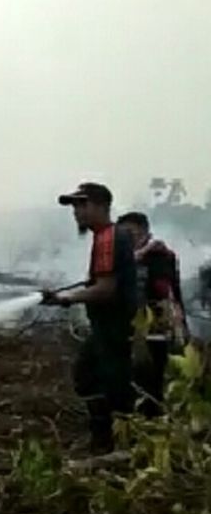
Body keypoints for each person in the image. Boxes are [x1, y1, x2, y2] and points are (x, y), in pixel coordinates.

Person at [42, 183, 137, 452]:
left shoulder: (108, 237)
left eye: (82, 205)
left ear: (101, 206)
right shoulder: (109, 236)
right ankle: (106, 440)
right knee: (91, 376)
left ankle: (115, 446)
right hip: (112, 327)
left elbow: (106, 290)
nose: (76, 212)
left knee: (110, 386)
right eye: (74, 206)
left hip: (114, 329)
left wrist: (65, 299)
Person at [115, 211, 188, 416]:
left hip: (154, 331)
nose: (127, 240)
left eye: (131, 234)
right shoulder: (133, 255)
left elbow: (168, 292)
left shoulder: (159, 257)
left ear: (144, 232)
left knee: (150, 380)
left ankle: (151, 421)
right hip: (130, 330)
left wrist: (178, 324)